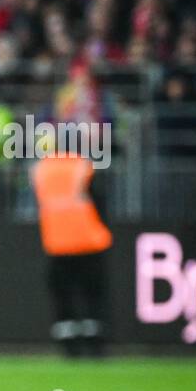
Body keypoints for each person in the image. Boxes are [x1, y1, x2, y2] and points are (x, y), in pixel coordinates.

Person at [30, 148, 112, 357]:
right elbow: (99, 201)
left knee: (62, 296)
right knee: (93, 294)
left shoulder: (41, 169)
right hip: (89, 241)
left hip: (57, 244)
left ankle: (69, 347)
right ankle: (95, 345)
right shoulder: (82, 166)